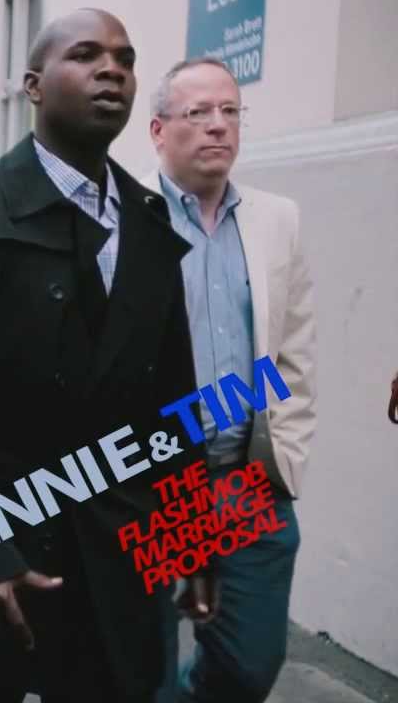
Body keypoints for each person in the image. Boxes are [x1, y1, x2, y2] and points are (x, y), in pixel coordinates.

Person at [0, 9, 214, 702]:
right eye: (85, 55)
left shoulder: (152, 227)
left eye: (123, 58)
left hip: (118, 555)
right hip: (0, 542)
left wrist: (191, 538)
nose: (111, 70)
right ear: (33, 85)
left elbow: (173, 401)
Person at [144, 57, 316, 703]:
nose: (218, 126)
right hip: (153, 485)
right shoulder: (122, 219)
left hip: (247, 483)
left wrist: (286, 455)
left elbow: (295, 349)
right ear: (159, 131)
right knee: (140, 670)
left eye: (230, 111)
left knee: (249, 666)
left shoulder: (277, 219)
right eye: (198, 113)